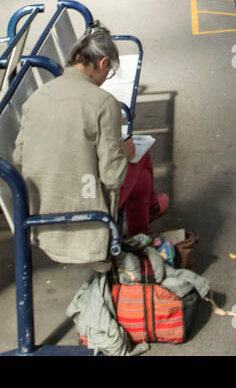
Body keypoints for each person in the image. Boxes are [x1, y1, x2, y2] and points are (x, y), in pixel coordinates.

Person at [13, 25, 167, 266]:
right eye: (110, 72)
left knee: (135, 157)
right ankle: (143, 227)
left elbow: (19, 157)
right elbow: (112, 178)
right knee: (139, 161)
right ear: (103, 63)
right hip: (88, 212)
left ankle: (150, 208)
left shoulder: (37, 97)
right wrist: (123, 154)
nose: (106, 79)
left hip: (39, 208)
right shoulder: (103, 102)